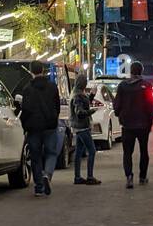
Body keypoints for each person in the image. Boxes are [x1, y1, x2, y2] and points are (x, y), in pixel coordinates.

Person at [17, 62, 61, 195]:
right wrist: (54, 119)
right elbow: (57, 106)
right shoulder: (53, 87)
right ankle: (47, 174)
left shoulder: (27, 89)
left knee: (35, 157)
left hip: (33, 128)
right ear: (43, 70)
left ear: (31, 71)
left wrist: (24, 125)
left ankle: (39, 187)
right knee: (51, 153)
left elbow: (25, 110)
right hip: (50, 126)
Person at [113, 61, 153, 188]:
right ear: (141, 71)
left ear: (130, 71)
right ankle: (142, 177)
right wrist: (150, 121)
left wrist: (120, 115)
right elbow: (150, 106)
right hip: (143, 124)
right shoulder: (147, 85)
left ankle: (129, 177)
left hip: (127, 125)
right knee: (144, 151)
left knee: (127, 152)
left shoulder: (122, 86)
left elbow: (117, 106)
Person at [69, 71, 101, 186]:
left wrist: (92, 95)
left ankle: (77, 177)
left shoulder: (75, 93)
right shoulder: (78, 96)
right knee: (92, 150)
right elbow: (80, 112)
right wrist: (92, 111)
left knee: (78, 152)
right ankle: (90, 176)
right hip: (82, 127)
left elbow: (83, 104)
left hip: (78, 127)